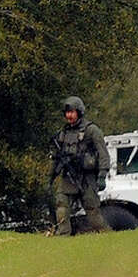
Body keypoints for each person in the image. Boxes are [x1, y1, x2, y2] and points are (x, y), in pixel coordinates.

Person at [50, 96, 111, 235]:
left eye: (72, 112)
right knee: (61, 206)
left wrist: (102, 175)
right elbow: (56, 157)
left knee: (92, 212)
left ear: (79, 112)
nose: (69, 115)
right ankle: (63, 237)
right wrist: (51, 176)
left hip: (87, 179)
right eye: (67, 112)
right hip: (68, 178)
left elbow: (103, 154)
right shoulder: (63, 133)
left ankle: (107, 236)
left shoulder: (92, 130)